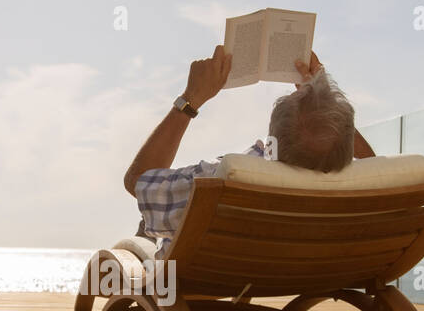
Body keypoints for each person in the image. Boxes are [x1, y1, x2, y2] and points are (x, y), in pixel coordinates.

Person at [124, 47, 376, 255]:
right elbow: (372, 164)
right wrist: (322, 98)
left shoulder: (229, 177)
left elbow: (138, 180)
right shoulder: (363, 189)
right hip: (292, 276)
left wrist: (189, 100)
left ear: (273, 137)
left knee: (142, 235)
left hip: (201, 280)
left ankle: (145, 234)